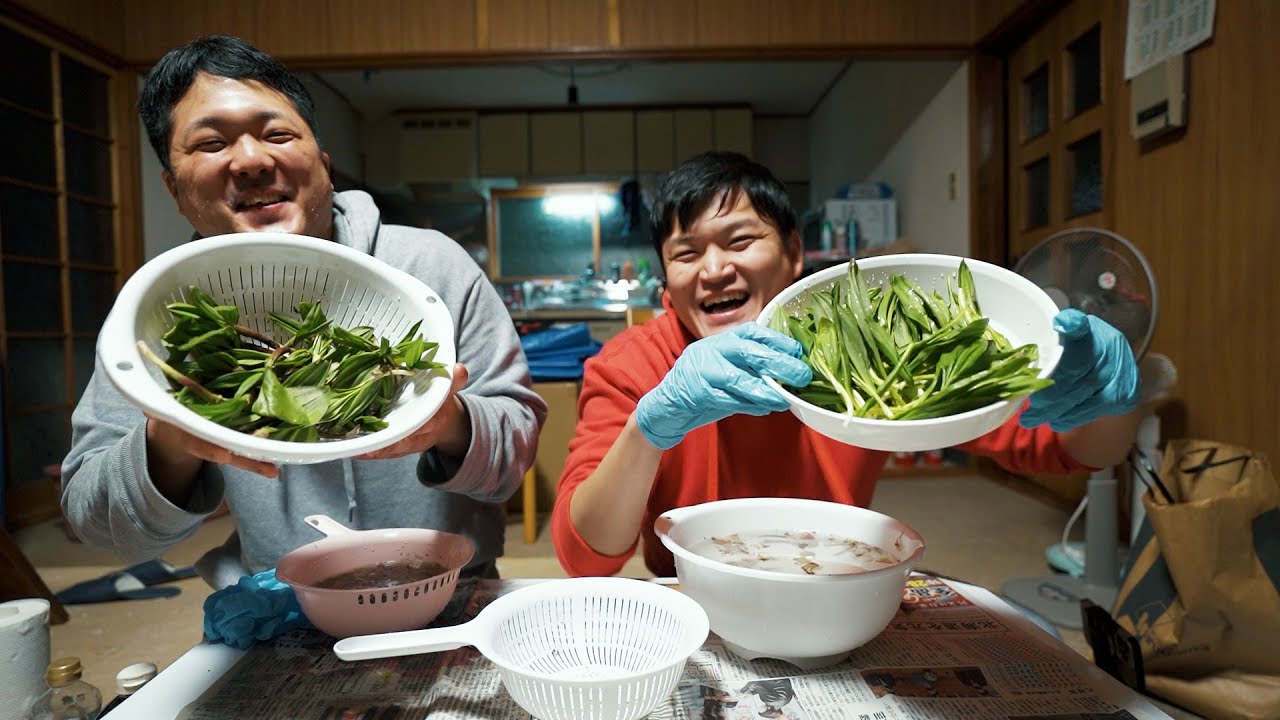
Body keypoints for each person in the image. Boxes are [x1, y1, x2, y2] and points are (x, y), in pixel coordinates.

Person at [61, 35, 546, 589]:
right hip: (279, 605)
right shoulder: (160, 314)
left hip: (450, 590)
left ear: (324, 163)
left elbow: (514, 458)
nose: (251, 159)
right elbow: (96, 524)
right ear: (174, 189)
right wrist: (171, 440)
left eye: (277, 134)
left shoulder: (431, 265)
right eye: (212, 143)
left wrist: (450, 422)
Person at [551, 151, 1140, 578]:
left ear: (794, 256)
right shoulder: (631, 364)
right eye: (686, 253)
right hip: (696, 592)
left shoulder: (878, 342)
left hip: (837, 581)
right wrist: (649, 426)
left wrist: (1102, 399)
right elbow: (584, 556)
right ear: (666, 283)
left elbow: (1074, 450)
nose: (712, 270)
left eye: (738, 241)